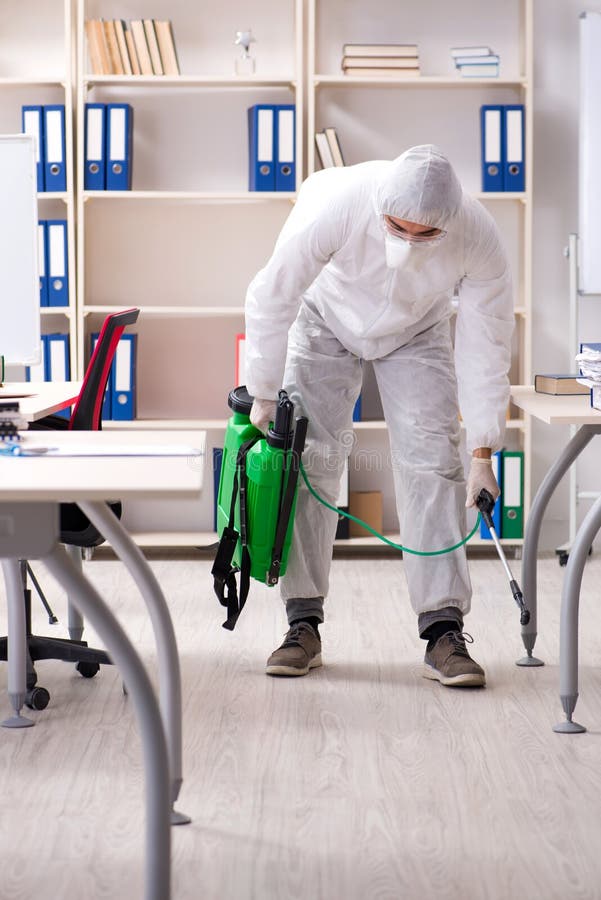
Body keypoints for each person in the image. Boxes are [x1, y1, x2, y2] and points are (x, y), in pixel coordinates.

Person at [244, 144, 513, 687]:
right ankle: (302, 624)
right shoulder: (339, 203)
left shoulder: (478, 235)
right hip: (325, 317)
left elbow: (487, 342)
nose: (411, 242)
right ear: (380, 209)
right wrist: (264, 392)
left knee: (434, 461)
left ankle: (444, 629)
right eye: (399, 228)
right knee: (311, 460)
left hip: (418, 330)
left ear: (449, 222)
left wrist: (483, 449)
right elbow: (273, 294)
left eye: (426, 235)